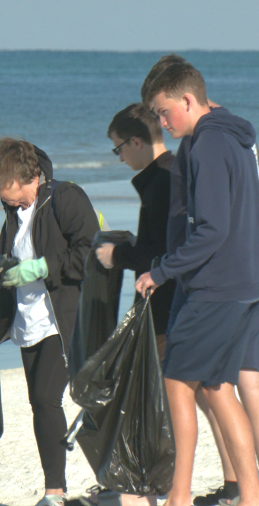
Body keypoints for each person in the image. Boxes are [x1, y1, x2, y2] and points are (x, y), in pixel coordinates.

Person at [141, 55, 259, 506]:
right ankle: (255, 497)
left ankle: (179, 496)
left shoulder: (205, 145)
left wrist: (162, 271)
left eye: (164, 112)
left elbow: (211, 229)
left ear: (188, 100)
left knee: (177, 383)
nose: (162, 123)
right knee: (221, 388)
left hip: (217, 286)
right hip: (250, 279)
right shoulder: (238, 138)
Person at [0, 138, 100, 506]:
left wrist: (43, 267)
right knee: (40, 403)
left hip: (64, 318)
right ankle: (65, 487)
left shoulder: (65, 197)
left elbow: (91, 252)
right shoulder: (12, 214)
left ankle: (55, 493)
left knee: (48, 398)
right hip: (28, 320)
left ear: (23, 176)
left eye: (1, 185)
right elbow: (9, 267)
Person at [96, 103, 176, 361]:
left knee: (169, 381)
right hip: (175, 305)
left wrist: (116, 255)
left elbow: (162, 253)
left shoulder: (161, 182)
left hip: (167, 310)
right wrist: (136, 243)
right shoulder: (172, 171)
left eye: (119, 148)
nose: (120, 157)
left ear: (136, 142)